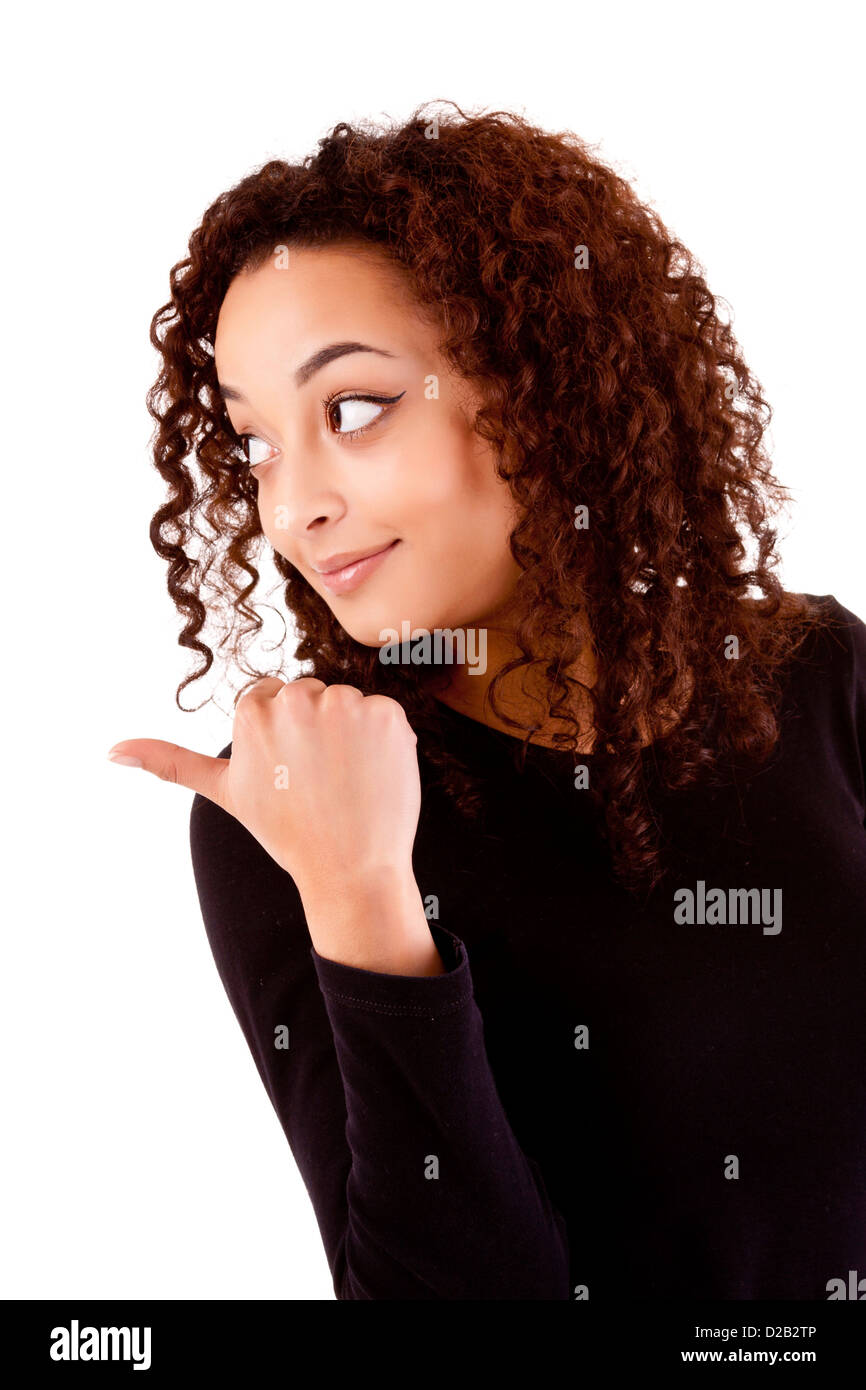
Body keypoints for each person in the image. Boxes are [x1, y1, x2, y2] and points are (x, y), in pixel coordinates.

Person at [108, 101, 866, 1300]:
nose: (289, 504)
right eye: (253, 443)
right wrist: (363, 901)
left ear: (535, 380)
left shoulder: (823, 676)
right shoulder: (285, 822)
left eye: (351, 408)